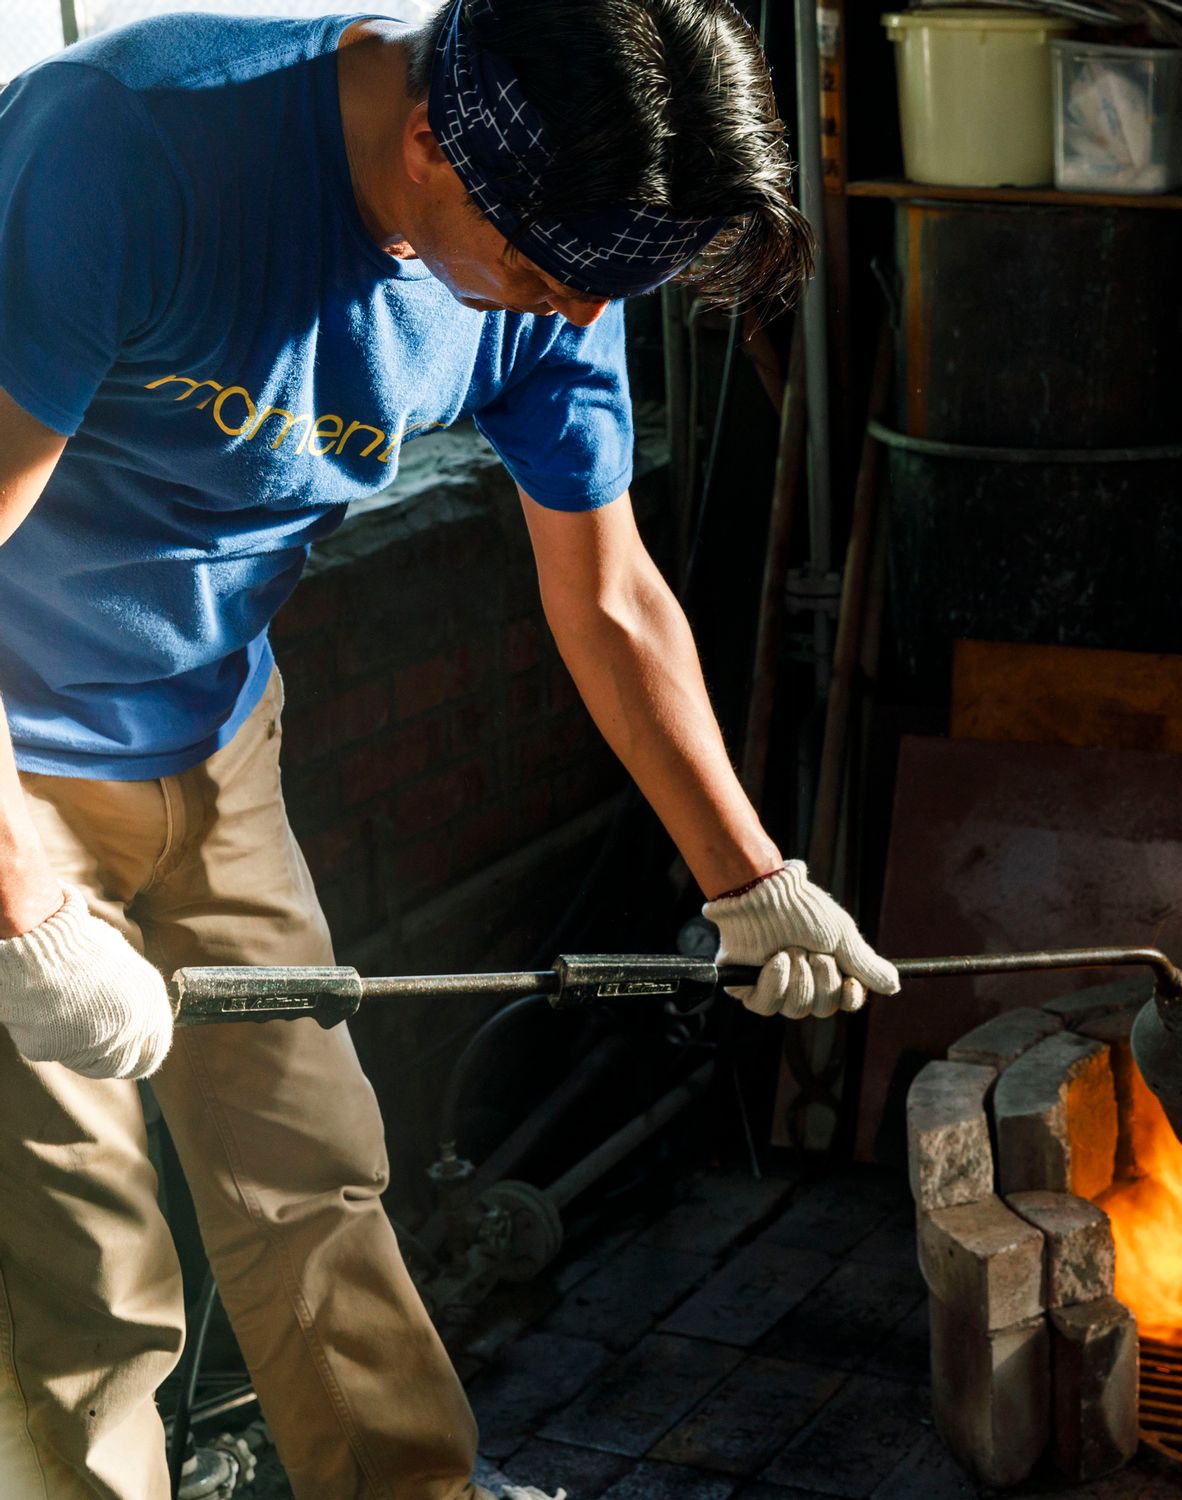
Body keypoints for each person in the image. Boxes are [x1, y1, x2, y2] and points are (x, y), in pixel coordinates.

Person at [0, 1, 898, 1496]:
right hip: (15, 754)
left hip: (212, 733)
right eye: (543, 277)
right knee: (76, 1269)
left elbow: (607, 596)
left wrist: (751, 879)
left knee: (314, 1175)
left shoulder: (563, 260)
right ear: (430, 141)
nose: (568, 317)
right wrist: (25, 909)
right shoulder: (125, 152)